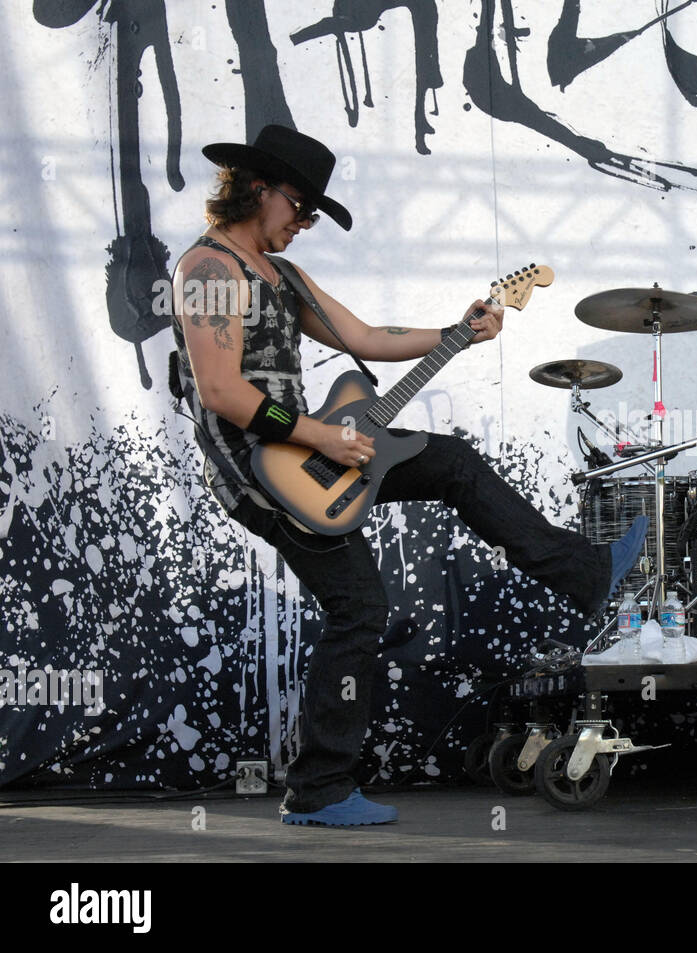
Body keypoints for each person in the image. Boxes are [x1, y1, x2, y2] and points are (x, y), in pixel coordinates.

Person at [170, 125, 645, 826]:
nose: (303, 224)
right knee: (360, 607)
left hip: (312, 454)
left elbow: (366, 338)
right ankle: (320, 788)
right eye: (300, 209)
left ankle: (583, 574)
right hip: (259, 473)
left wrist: (456, 330)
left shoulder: (283, 274)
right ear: (259, 187)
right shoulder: (210, 270)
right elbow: (221, 392)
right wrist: (323, 434)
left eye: (309, 215)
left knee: (451, 462)